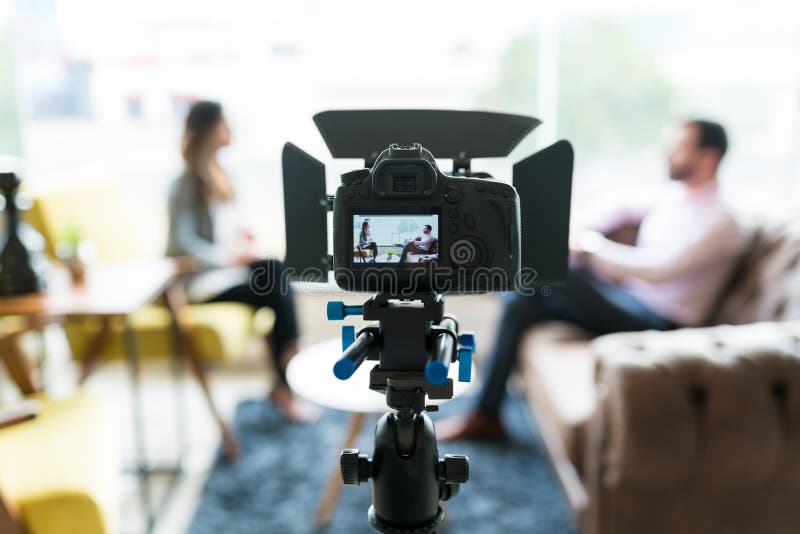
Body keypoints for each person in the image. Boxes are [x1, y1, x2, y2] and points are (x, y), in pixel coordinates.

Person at [438, 119, 746, 440]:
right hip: (629, 299)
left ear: (708, 157)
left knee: (555, 271)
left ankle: (485, 410)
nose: (667, 154)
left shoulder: (722, 221)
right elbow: (621, 203)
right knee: (523, 299)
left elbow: (659, 268)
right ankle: (486, 414)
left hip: (660, 323)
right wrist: (583, 228)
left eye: (678, 148)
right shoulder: (675, 199)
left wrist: (589, 248)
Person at [166, 100, 315, 422]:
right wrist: (230, 256)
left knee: (274, 267)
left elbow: (225, 229)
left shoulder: (222, 175)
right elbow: (182, 244)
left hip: (225, 272)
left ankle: (288, 361)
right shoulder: (184, 185)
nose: (230, 130)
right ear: (208, 129)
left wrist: (242, 240)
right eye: (224, 124)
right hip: (201, 281)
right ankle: (289, 366)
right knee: (275, 286)